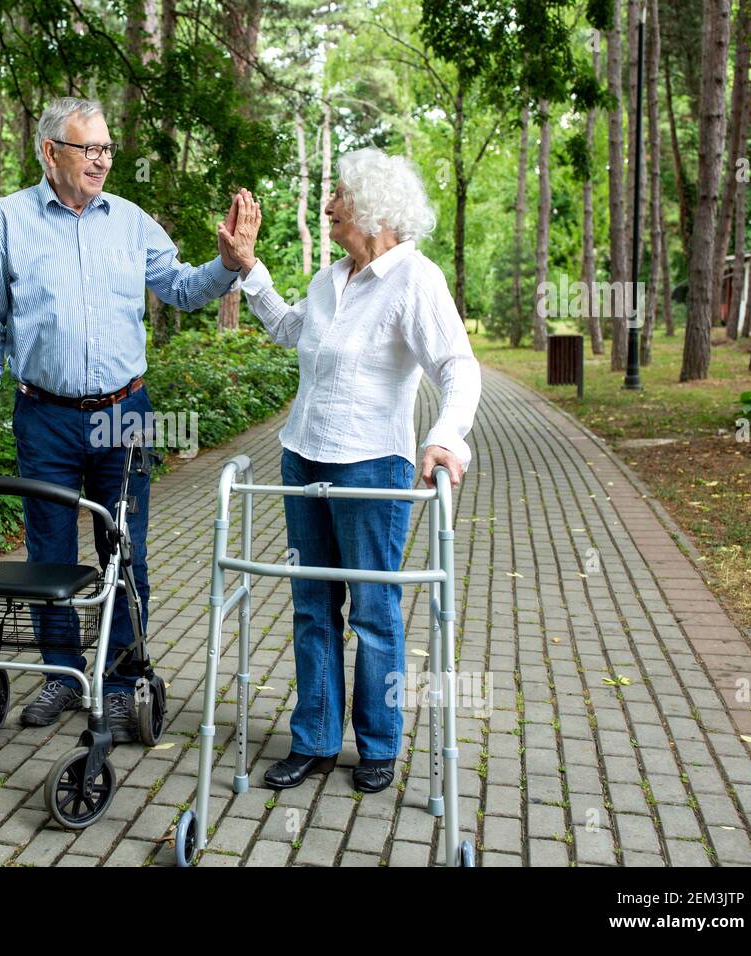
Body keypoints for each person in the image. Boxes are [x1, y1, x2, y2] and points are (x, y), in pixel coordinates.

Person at [0, 96, 246, 742]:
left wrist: (226, 266)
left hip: (124, 412)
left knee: (126, 548)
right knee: (50, 553)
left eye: (107, 148)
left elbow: (179, 286)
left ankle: (119, 682)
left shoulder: (132, 221)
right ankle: (63, 673)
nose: (102, 159)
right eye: (88, 148)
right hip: (44, 415)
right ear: (49, 152)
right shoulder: (8, 220)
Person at [216, 148, 482, 792]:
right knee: (312, 605)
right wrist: (248, 269)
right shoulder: (330, 278)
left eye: (338, 196)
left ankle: (379, 744)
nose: (328, 207)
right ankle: (313, 740)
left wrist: (447, 436)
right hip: (302, 455)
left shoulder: (415, 279)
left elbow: (457, 366)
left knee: (372, 609)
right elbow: (286, 330)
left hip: (372, 466)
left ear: (373, 208)